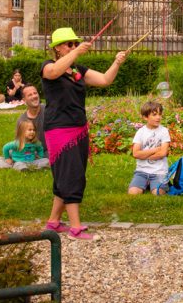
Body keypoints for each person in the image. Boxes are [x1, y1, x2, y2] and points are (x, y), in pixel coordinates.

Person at [40, 26, 127, 241]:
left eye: (75, 44)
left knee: (66, 174)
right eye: (69, 44)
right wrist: (76, 53)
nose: (73, 47)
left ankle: (53, 222)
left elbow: (105, 80)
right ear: (57, 48)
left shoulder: (78, 71)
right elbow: (53, 73)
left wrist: (116, 62)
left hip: (78, 128)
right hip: (59, 129)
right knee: (71, 176)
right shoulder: (49, 66)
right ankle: (76, 229)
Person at [128, 100, 171, 195]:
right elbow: (135, 153)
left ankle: (154, 185)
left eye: (160, 114)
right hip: (141, 171)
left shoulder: (164, 131)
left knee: (158, 193)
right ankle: (147, 183)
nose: (158, 117)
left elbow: (163, 153)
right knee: (133, 193)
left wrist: (143, 154)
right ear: (145, 117)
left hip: (159, 172)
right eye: (154, 115)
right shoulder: (140, 132)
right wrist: (156, 149)